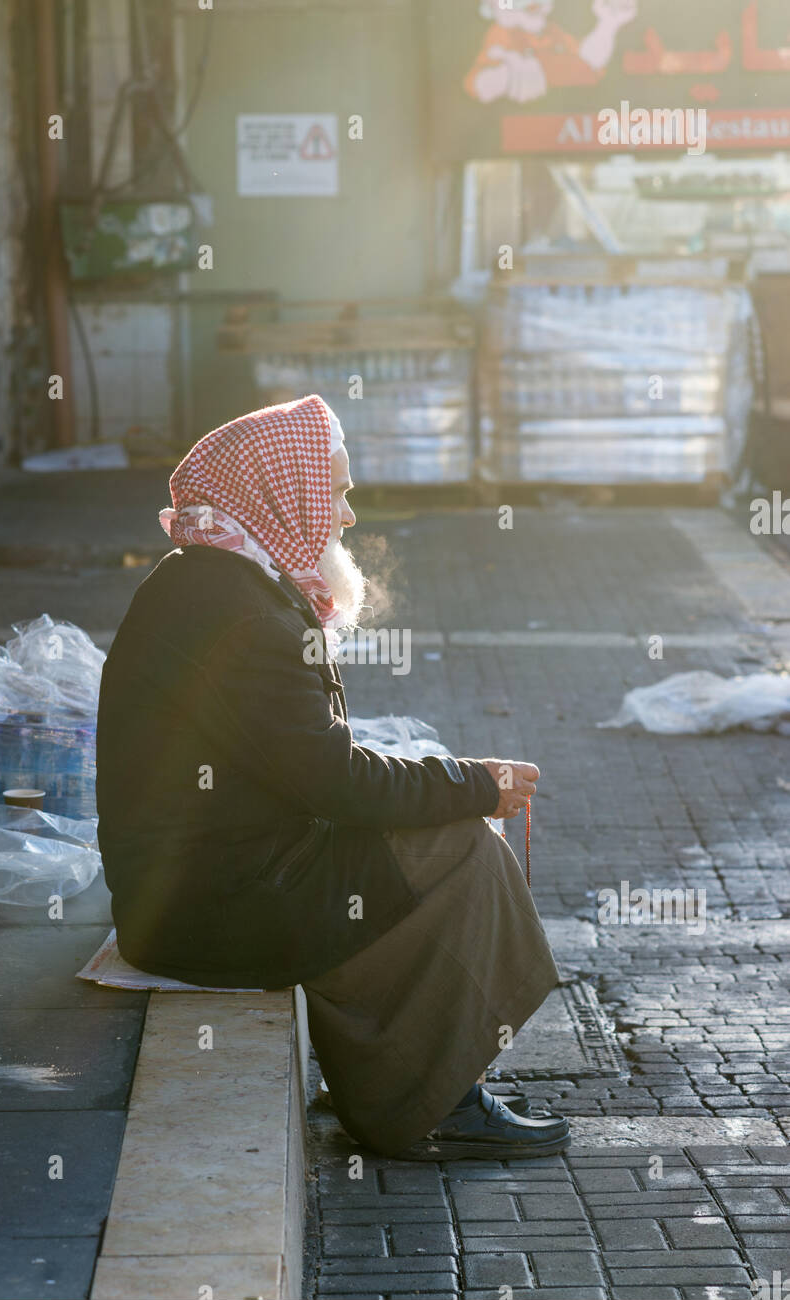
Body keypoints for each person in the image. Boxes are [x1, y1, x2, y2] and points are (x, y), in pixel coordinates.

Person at [95, 394, 569, 1160]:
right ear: (279, 497)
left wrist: (446, 780)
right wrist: (475, 784)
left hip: (201, 883)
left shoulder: (213, 577)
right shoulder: (241, 614)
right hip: (206, 906)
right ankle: (427, 1101)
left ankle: (399, 1075)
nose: (347, 516)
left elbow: (307, 763)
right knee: (462, 848)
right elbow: (334, 781)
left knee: (423, 834)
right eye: (338, 492)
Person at [465, 0, 638, 105]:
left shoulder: (552, 33)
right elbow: (478, 84)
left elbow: (587, 62)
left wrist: (607, 24)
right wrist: (506, 77)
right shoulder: (502, 35)